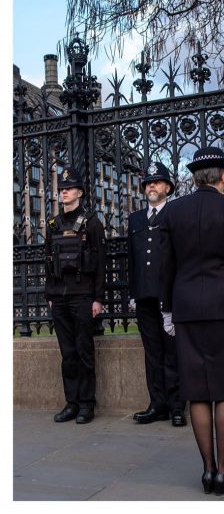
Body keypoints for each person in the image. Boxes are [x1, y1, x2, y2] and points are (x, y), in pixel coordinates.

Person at [160, 147, 224, 495]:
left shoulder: (173, 210)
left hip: (186, 307)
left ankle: (206, 471)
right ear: (223, 176)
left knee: (198, 391)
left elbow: (166, 265)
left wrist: (167, 309)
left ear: (194, 177)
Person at [45, 167, 106, 425]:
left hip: (82, 297)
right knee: (67, 354)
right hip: (59, 298)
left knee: (83, 351)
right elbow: (48, 261)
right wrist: (50, 295)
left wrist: (98, 299)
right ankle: (71, 403)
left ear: (80, 192)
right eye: (61, 189)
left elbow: (100, 263)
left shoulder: (92, 223)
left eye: (69, 188)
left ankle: (86, 404)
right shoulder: (53, 224)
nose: (64, 192)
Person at [127, 162, 185, 427]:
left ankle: (176, 406)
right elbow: (132, 259)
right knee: (152, 353)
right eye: (148, 183)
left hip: (169, 296)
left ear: (167, 188)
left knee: (172, 352)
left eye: (156, 182)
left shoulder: (175, 214)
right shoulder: (136, 219)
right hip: (144, 296)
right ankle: (157, 404)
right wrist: (132, 293)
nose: (151, 186)